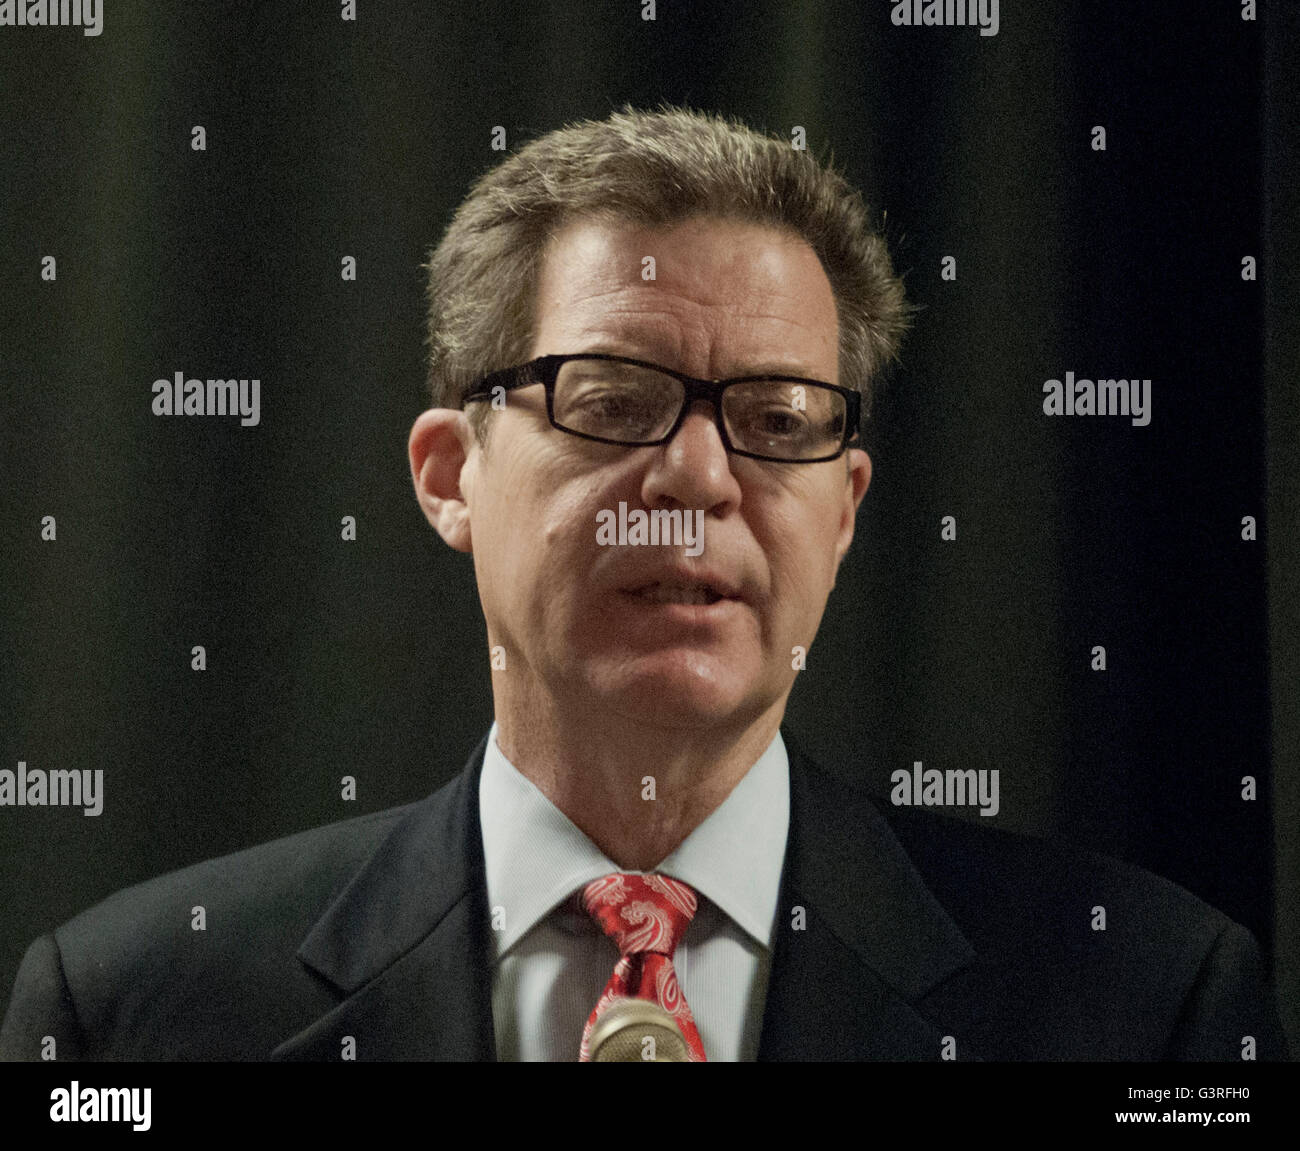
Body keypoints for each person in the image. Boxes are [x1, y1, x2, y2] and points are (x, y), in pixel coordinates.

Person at [0, 107, 1288, 1062]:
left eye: (782, 419)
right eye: (614, 401)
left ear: (843, 514)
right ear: (452, 476)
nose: (698, 481)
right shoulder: (125, 1021)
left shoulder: (1152, 1008)